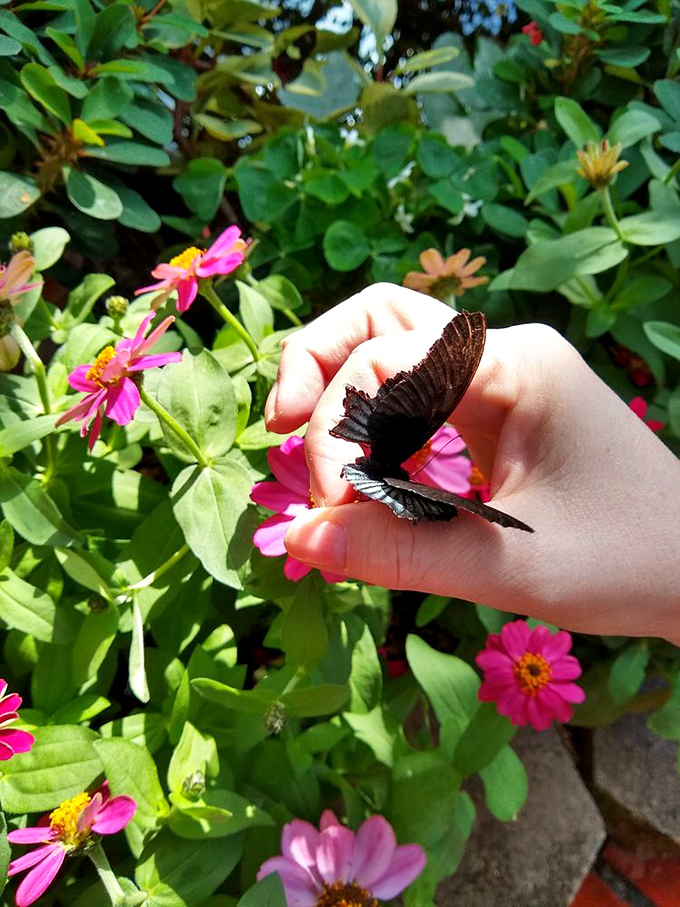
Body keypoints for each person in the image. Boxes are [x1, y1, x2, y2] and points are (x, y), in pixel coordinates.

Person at [264, 284, 680, 644]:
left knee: (406, 453)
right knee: (412, 478)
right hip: (376, 462)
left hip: (371, 439)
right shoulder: (420, 462)